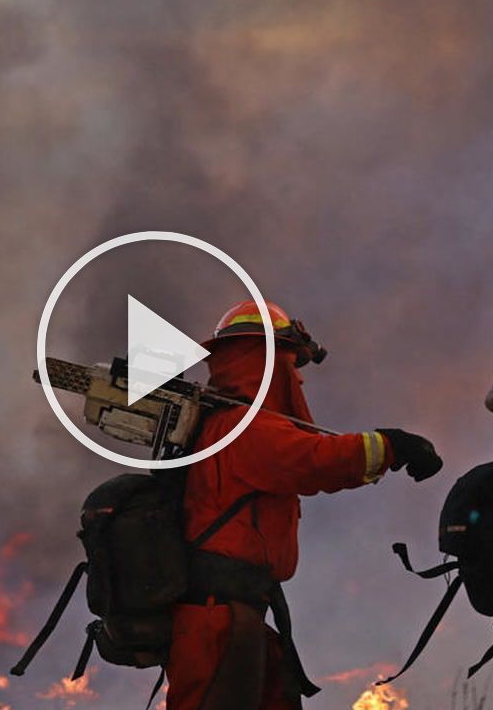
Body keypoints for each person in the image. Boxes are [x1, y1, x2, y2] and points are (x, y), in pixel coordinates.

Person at [164, 300, 444, 710]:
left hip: (232, 616)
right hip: (217, 622)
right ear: (265, 362)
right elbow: (315, 460)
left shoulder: (232, 423)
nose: (298, 378)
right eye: (291, 364)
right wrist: (392, 445)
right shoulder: (246, 427)